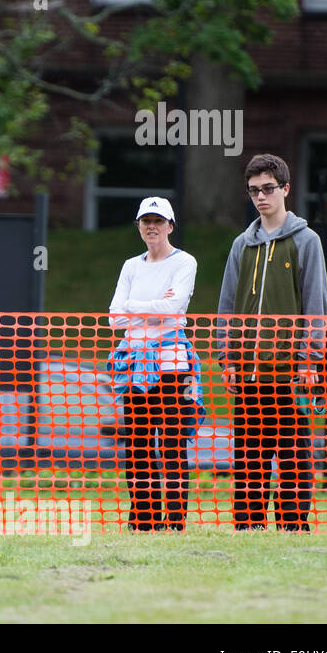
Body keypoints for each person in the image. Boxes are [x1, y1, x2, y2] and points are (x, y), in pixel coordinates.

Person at [217, 154, 327, 532]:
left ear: (285, 189)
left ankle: (293, 525)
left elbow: (316, 305)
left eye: (267, 189)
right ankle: (248, 525)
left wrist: (308, 361)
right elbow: (227, 306)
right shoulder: (241, 245)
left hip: (291, 375)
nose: (260, 197)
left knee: (295, 454)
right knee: (249, 454)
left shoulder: (307, 241)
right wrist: (226, 358)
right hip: (248, 374)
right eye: (253, 191)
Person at [107, 197, 203, 531]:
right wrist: (149, 308)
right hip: (133, 365)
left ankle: (175, 520)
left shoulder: (185, 262)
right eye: (146, 221)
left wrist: (134, 307)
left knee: (172, 442)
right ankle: (143, 518)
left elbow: (175, 305)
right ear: (139, 226)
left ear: (170, 226)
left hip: (171, 366)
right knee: (137, 443)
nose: (152, 227)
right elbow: (115, 318)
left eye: (158, 221)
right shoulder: (131, 266)